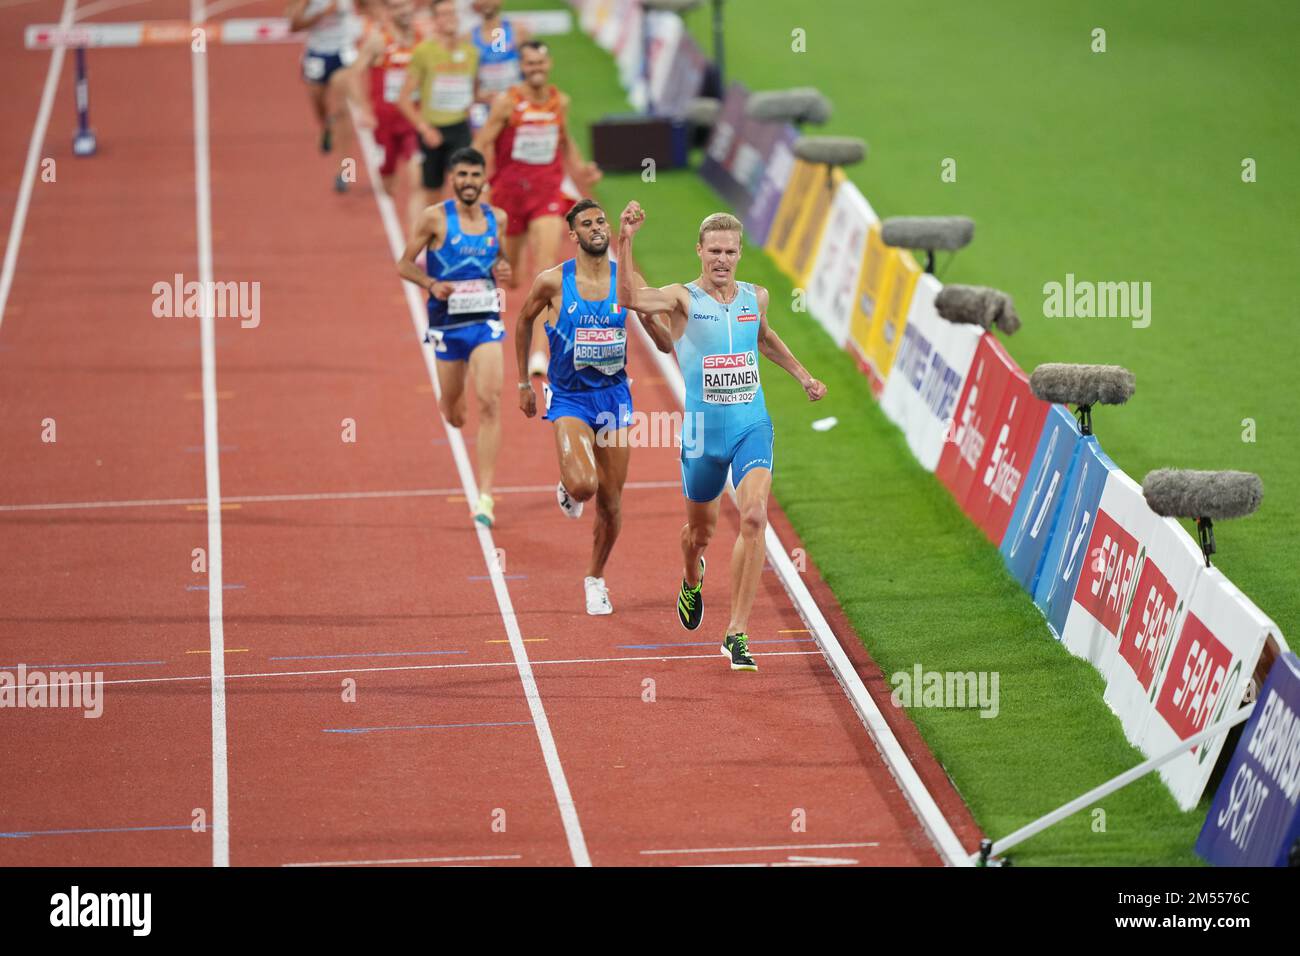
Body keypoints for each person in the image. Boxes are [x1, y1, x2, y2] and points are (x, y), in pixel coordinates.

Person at [615, 202, 828, 671]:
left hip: (751, 425)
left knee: (753, 517)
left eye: (730, 251)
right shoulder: (681, 298)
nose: (722, 259)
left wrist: (803, 376)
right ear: (699, 251)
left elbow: (766, 339)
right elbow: (629, 297)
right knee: (700, 533)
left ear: (739, 255)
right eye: (714, 250)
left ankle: (737, 633)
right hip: (701, 435)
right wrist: (626, 239)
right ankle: (692, 577)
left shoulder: (757, 297)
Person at [514, 200, 669, 616]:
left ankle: (595, 578)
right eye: (587, 223)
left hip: (614, 398)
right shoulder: (552, 282)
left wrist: (653, 321)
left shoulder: (626, 280)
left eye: (601, 221)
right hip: (569, 397)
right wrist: (522, 382)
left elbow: (665, 343)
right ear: (573, 234)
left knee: (612, 503)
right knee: (585, 486)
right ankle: (570, 483)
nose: (597, 227)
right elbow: (523, 321)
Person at [397, 148, 512, 527]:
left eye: (474, 175)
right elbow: (403, 264)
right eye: (461, 175)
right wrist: (431, 283)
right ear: (452, 178)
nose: (468, 182)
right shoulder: (434, 219)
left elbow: (500, 258)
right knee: (455, 413)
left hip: (485, 322)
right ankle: (451, 401)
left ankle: (486, 496)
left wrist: (503, 267)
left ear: (483, 179)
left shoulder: (498, 219)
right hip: (447, 326)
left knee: (491, 401)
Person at [473, 40, 601, 378]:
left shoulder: (561, 101)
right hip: (509, 197)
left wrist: (582, 168)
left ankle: (539, 353)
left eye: (540, 64)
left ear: (549, 64)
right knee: (512, 276)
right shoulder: (507, 103)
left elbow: (565, 141)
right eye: (529, 64)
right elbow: (481, 141)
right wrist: (480, 180)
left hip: (546, 194)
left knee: (545, 272)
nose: (536, 69)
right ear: (521, 66)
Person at [347, 0, 426, 228]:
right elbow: (353, 75)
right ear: (388, 11)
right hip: (385, 124)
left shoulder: (422, 40)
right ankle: (391, 217)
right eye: (396, 6)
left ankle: (415, 244)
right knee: (387, 181)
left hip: (413, 121)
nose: (403, 11)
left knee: (419, 181)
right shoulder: (378, 40)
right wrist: (365, 110)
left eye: (405, 5)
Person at [397, 0, 479, 209]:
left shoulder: (471, 52)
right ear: (434, 21)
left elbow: (473, 89)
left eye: (453, 13)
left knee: (466, 184)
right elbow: (404, 99)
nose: (450, 18)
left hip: (460, 128)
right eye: (444, 14)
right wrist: (425, 129)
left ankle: (464, 236)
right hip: (432, 131)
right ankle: (435, 235)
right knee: (432, 193)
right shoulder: (423, 52)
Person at [288, 0, 362, 191]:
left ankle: (343, 172)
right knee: (318, 101)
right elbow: (294, 26)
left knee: (342, 111)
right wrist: (323, 13)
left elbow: (371, 8)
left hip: (344, 53)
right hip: (317, 54)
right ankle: (324, 126)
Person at [468, 0, 530, 130]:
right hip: (484, 106)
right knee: (482, 147)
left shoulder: (517, 31)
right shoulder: (469, 37)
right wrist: (477, 96)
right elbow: (469, 77)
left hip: (514, 104)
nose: (487, 2)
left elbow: (531, 68)